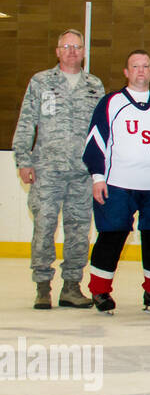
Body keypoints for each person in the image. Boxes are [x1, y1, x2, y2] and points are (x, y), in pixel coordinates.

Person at [82, 51, 150, 315]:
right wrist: (97, 178)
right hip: (118, 184)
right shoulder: (111, 103)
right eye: (135, 66)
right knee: (112, 236)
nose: (141, 71)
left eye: (146, 66)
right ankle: (100, 290)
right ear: (126, 72)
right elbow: (95, 142)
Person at [13, 29, 104, 309]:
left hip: (82, 172)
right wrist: (23, 160)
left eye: (77, 46)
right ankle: (42, 286)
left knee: (78, 231)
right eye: (66, 46)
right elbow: (27, 122)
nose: (72, 51)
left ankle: (71, 287)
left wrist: (101, 170)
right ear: (57, 51)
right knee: (44, 228)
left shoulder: (94, 85)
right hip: (46, 170)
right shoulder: (41, 81)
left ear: (84, 52)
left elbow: (101, 130)